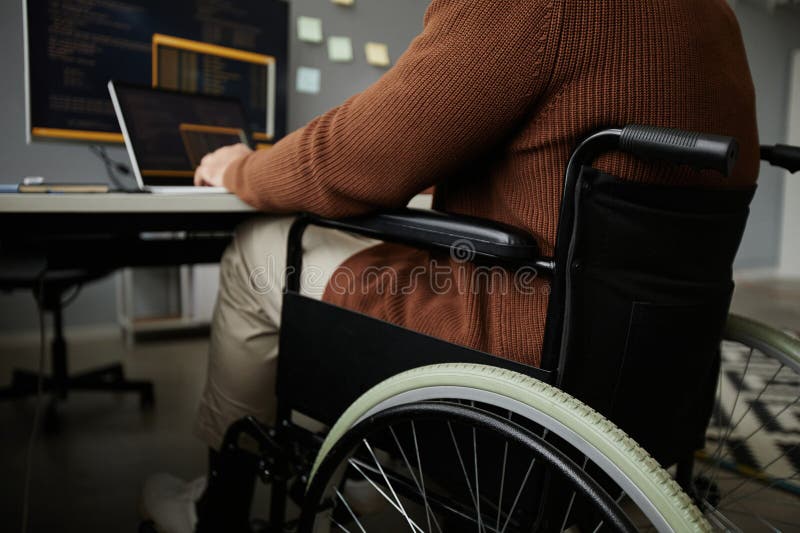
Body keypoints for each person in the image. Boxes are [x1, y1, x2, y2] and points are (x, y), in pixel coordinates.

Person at [141, 0, 759, 531]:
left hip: (516, 341)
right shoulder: (717, 18)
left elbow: (352, 158)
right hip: (647, 362)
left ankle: (217, 509)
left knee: (260, 244)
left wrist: (238, 168)